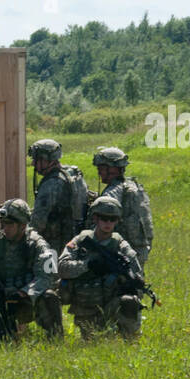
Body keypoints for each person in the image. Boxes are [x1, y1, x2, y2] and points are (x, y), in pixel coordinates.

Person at [0, 198, 62, 341]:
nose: (5, 228)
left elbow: (48, 277)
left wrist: (24, 293)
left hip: (25, 302)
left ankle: (56, 341)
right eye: (3, 223)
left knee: (49, 297)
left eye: (10, 224)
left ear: (22, 225)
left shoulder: (39, 245)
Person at [59, 195, 148, 340]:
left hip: (111, 306)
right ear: (95, 218)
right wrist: (87, 265)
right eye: (104, 218)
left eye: (112, 219)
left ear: (117, 221)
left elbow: (136, 272)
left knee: (130, 300)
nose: (108, 223)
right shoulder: (81, 241)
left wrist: (131, 281)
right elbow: (62, 267)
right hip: (85, 307)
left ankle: (131, 339)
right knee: (92, 341)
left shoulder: (120, 245)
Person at [88, 147, 154, 266]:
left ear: (113, 169)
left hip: (122, 251)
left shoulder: (113, 191)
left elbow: (100, 223)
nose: (99, 172)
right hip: (140, 248)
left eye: (101, 168)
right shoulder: (133, 186)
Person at [27, 140, 79, 252]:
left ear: (47, 160)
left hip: (53, 246)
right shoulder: (66, 174)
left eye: (36, 160)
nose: (33, 164)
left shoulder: (51, 184)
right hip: (65, 242)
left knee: (49, 270)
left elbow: (38, 222)